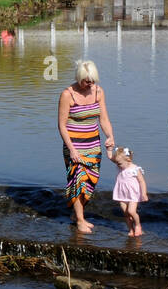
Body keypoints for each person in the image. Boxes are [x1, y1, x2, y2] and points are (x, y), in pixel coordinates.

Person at [58, 59, 116, 234]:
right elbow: (61, 125)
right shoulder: (67, 94)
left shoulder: (98, 92)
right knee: (78, 181)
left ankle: (77, 215)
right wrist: (72, 150)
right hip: (74, 145)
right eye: (86, 81)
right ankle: (81, 220)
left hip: (93, 145)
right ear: (79, 77)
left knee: (90, 182)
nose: (89, 84)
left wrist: (110, 136)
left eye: (92, 81)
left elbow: (103, 119)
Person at [110, 146, 148, 237]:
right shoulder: (120, 167)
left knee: (131, 211)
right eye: (117, 163)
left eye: (119, 163)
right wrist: (108, 149)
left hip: (133, 194)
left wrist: (144, 193)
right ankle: (131, 229)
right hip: (121, 193)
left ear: (128, 160)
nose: (117, 165)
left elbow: (142, 181)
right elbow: (112, 158)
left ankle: (138, 225)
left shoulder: (135, 169)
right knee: (126, 214)